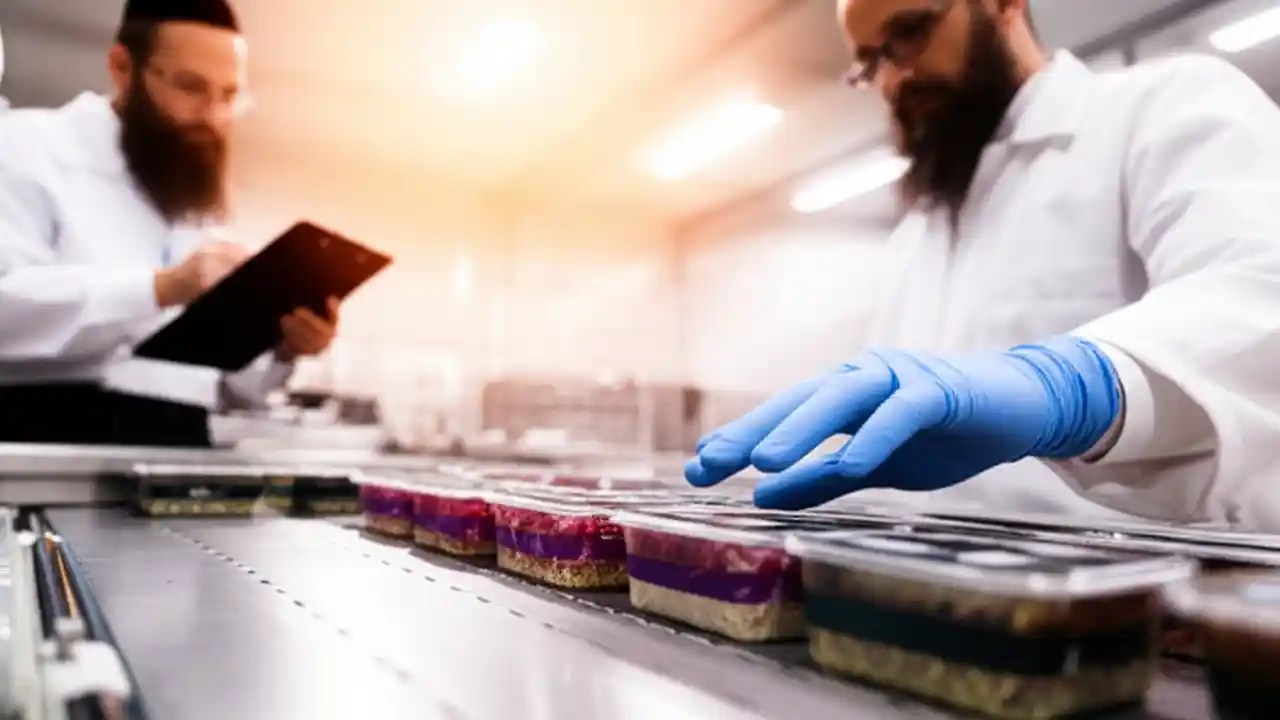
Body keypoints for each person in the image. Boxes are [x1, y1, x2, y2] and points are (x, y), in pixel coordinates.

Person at [686, 0, 1280, 531]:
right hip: (957, 604)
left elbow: (1259, 292)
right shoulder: (921, 234)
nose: (892, 81)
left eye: (908, 33)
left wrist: (1074, 387)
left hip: (1148, 613)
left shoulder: (1165, 107)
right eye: (870, 63)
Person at [0, 0, 339, 448]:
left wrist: (283, 349)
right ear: (122, 67)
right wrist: (161, 287)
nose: (213, 116)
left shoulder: (190, 186)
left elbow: (217, 384)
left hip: (178, 450)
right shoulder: (25, 147)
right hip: (45, 439)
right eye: (191, 87)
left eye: (229, 95)